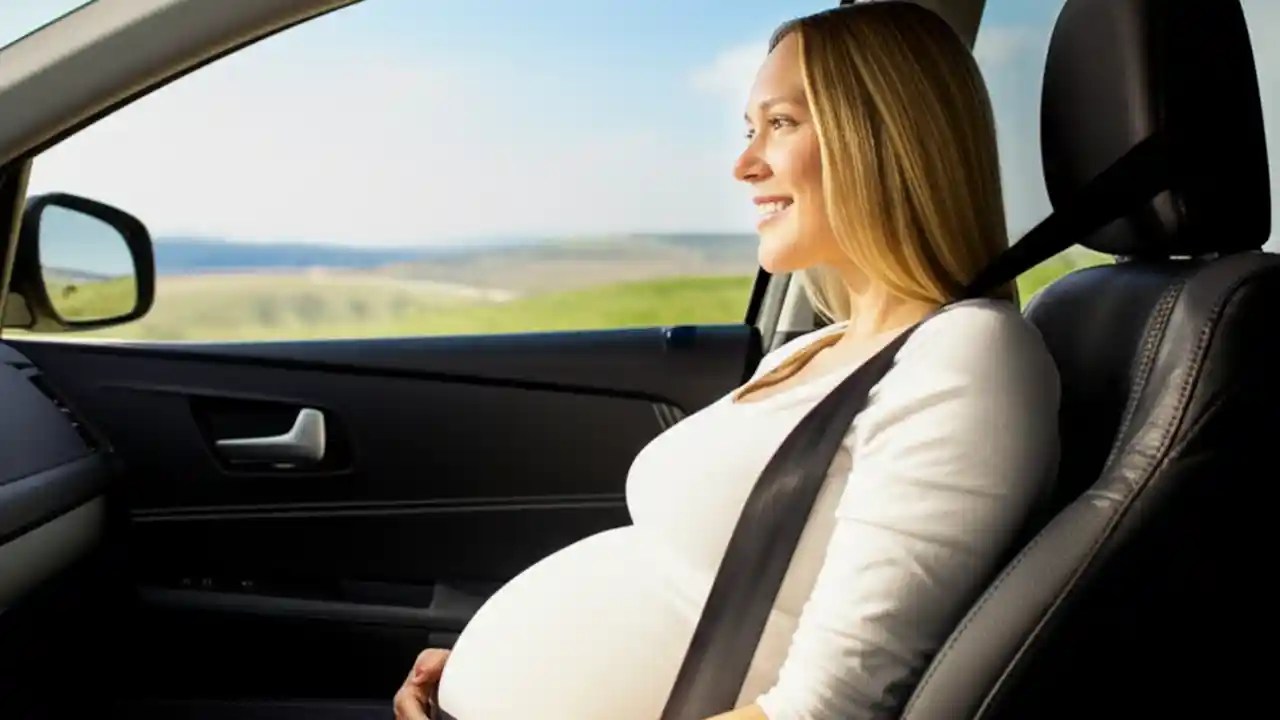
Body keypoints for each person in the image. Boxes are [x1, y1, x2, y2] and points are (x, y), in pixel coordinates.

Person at [394, 3, 1061, 719]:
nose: (745, 164)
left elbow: (823, 711)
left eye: (781, 124)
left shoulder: (965, 358)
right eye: (750, 129)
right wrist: (483, 669)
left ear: (885, 135)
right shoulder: (826, 346)